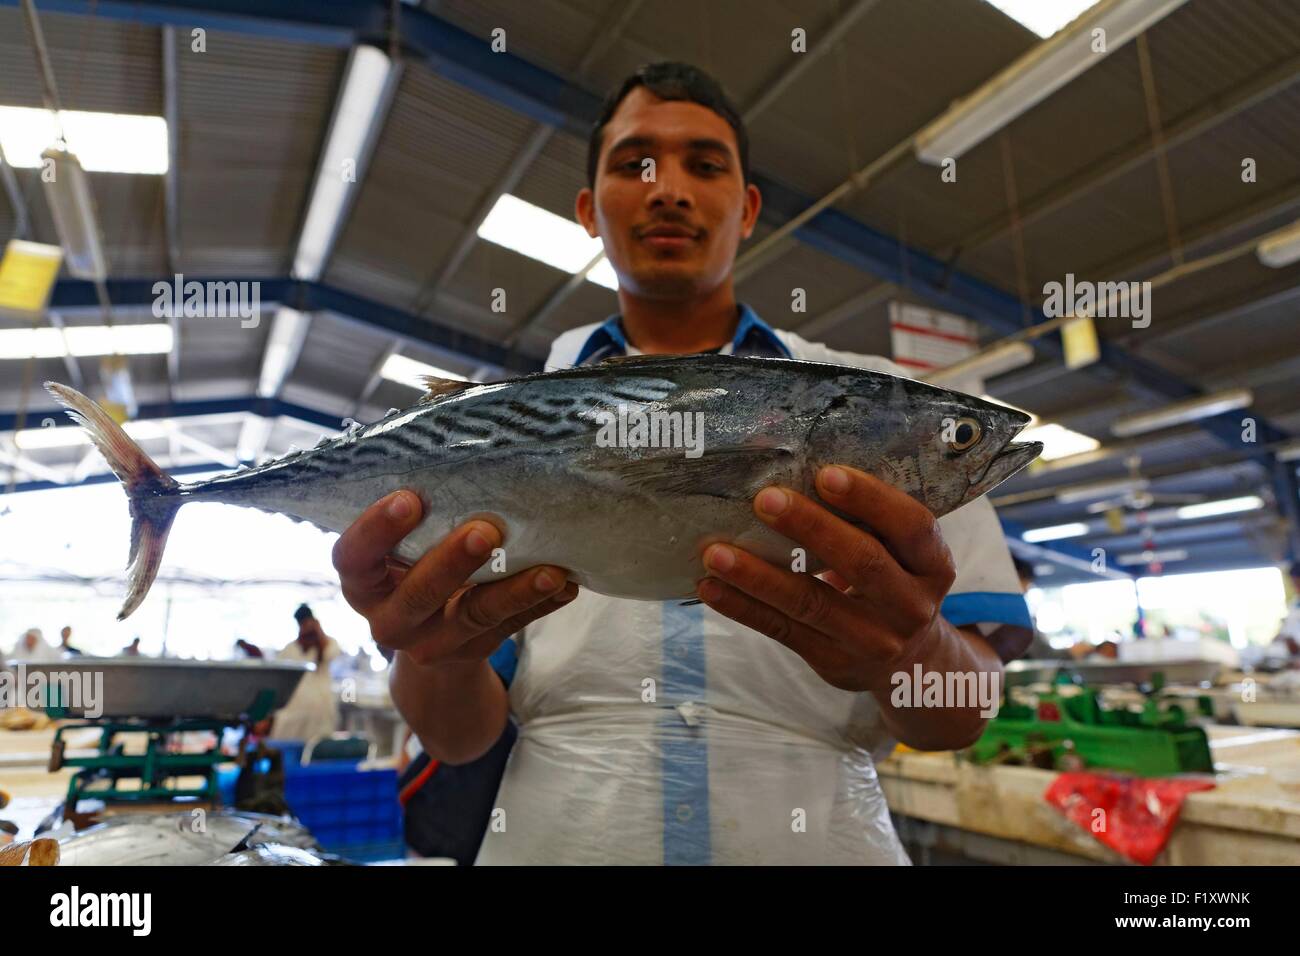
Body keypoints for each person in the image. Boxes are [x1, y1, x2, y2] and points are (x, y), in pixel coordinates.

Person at [331, 63, 1033, 865]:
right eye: (635, 164)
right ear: (589, 211)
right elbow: (459, 740)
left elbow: (962, 715)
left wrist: (913, 653)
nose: (668, 188)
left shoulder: (895, 411)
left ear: (749, 207)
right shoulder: (485, 428)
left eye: (705, 164)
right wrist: (432, 649)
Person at [269, 604, 342, 741]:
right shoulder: (290, 649)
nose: (306, 628)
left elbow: (331, 653)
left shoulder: (327, 644)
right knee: (288, 748)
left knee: (316, 749)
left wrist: (319, 633)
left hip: (320, 710)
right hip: (294, 710)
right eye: (302, 624)